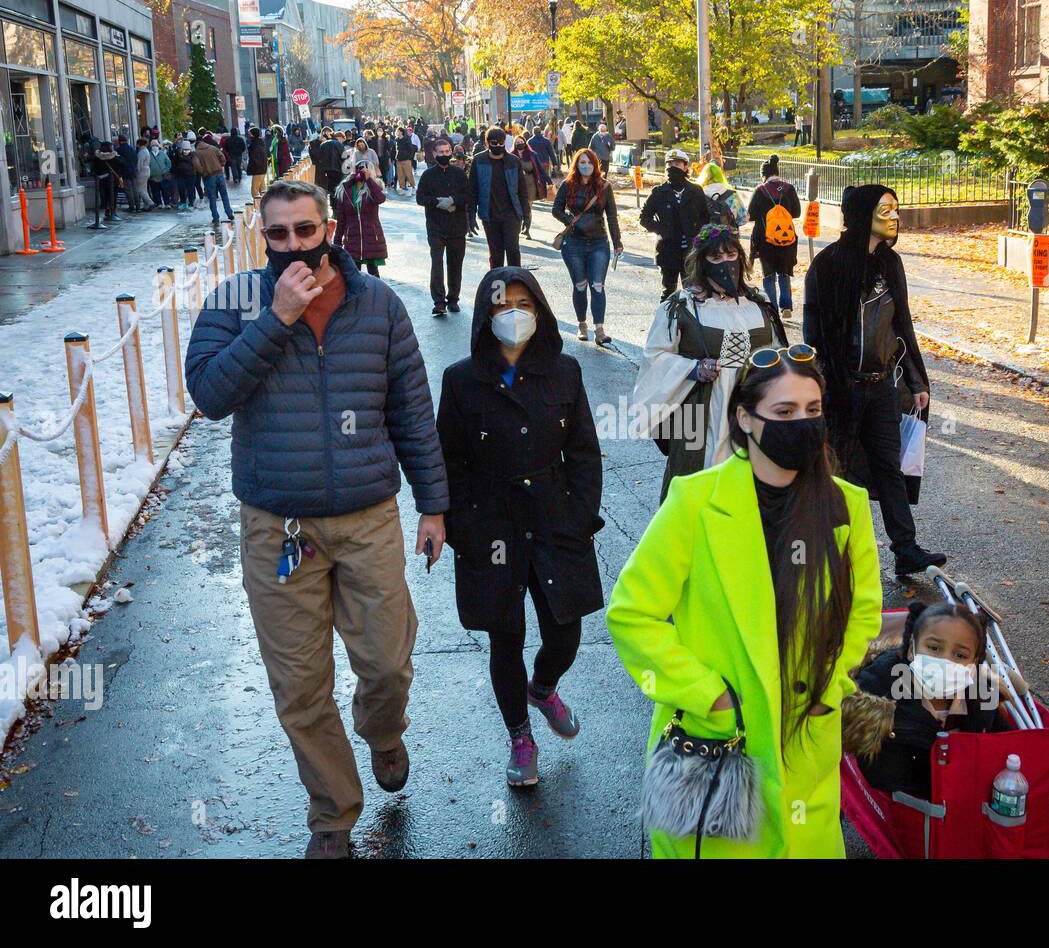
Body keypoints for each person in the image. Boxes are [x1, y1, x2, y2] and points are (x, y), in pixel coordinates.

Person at [185, 179, 449, 860]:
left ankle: (384, 732)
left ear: (329, 227)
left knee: (388, 662)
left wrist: (434, 505)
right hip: (282, 528)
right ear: (262, 237)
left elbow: (412, 411)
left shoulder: (377, 303)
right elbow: (210, 395)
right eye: (278, 234)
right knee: (300, 682)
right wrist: (275, 320)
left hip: (367, 517)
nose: (293, 244)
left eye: (305, 230)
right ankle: (332, 813)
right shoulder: (237, 302)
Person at [607, 351, 882, 857]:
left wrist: (832, 686)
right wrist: (708, 694)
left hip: (804, 735)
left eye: (812, 409)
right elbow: (631, 612)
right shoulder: (694, 501)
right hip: (714, 741)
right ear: (743, 418)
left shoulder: (848, 506)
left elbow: (864, 612)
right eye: (783, 413)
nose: (802, 424)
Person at [436, 267, 604, 787]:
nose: (514, 314)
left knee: (566, 632)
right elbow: (450, 462)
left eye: (524, 303)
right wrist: (462, 527)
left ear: (540, 310)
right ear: (485, 316)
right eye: (502, 304)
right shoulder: (462, 381)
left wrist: (579, 516)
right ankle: (520, 736)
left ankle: (544, 686)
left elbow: (583, 452)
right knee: (504, 637)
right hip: (491, 528)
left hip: (556, 520)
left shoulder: (564, 372)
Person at [803, 183, 946, 578]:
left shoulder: (889, 264)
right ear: (864, 214)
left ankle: (906, 549)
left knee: (889, 467)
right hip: (842, 388)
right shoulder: (829, 265)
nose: (895, 217)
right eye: (886, 210)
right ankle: (831, 552)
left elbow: (903, 326)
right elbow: (813, 333)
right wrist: (819, 383)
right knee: (837, 471)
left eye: (896, 210)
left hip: (882, 386)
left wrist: (916, 381)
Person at [631, 222, 787, 503]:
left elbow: (779, 355)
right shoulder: (681, 307)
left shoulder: (759, 304)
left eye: (730, 255)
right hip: (701, 415)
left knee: (751, 495)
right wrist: (693, 368)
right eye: (715, 257)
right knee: (696, 493)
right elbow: (655, 358)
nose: (725, 263)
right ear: (701, 263)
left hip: (752, 417)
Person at [845, 601, 1009, 800]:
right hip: (910, 802)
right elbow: (884, 777)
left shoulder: (982, 696)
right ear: (912, 649)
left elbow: (1004, 747)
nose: (945, 661)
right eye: (934, 648)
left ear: (974, 662)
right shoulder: (881, 695)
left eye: (959, 655)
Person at [552, 147, 622, 345]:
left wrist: (617, 242)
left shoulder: (604, 186)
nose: (586, 166)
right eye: (582, 162)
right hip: (574, 243)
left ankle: (599, 330)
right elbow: (555, 209)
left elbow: (612, 217)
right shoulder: (568, 184)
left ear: (595, 164)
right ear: (576, 164)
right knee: (580, 285)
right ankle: (582, 324)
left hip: (599, 242)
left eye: (589, 162)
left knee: (597, 286)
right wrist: (570, 221)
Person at [639, 148, 710, 300]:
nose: (673, 167)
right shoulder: (659, 192)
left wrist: (699, 236)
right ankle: (666, 323)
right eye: (669, 164)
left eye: (677, 163)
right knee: (668, 294)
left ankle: (690, 323)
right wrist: (663, 230)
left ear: (685, 166)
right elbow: (644, 218)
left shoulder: (695, 191)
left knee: (692, 294)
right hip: (668, 251)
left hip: (691, 252)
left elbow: (706, 217)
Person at [416, 135, 472, 317]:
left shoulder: (459, 173)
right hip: (436, 227)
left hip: (457, 227)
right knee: (437, 265)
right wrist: (437, 202)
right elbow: (420, 198)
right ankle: (439, 302)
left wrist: (454, 201)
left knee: (455, 265)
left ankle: (453, 299)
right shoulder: (428, 175)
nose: (444, 155)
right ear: (434, 154)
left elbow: (468, 196)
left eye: (447, 152)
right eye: (441, 152)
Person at [747, 154, 801, 320]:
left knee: (768, 276)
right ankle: (786, 306)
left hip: (766, 241)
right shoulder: (789, 189)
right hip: (786, 240)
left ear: (764, 174)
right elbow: (797, 213)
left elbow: (751, 215)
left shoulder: (760, 191)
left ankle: (772, 310)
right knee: (784, 273)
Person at [468, 126, 530, 269]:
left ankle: (516, 284)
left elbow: (522, 191)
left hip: (512, 215)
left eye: (501, 142)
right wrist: (470, 214)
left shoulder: (513, 161)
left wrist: (526, 215)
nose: (498, 145)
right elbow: (473, 190)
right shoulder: (479, 160)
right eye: (494, 143)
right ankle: (497, 287)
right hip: (489, 216)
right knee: (496, 254)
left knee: (513, 251)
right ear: (487, 143)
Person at [333, 162, 388, 277]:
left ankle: (375, 294)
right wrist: (337, 243)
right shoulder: (344, 190)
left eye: (364, 169)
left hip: (372, 237)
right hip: (352, 238)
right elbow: (341, 219)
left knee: (373, 273)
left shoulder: (374, 187)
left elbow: (380, 199)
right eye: (359, 169)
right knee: (354, 274)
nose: (361, 171)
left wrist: (369, 180)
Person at [193, 135, 234, 228]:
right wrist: (221, 165)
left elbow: (197, 165)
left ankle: (215, 217)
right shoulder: (213, 148)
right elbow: (222, 157)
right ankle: (229, 213)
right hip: (219, 173)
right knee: (224, 194)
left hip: (209, 176)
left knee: (212, 197)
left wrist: (203, 172)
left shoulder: (196, 153)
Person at [514, 135, 548, 239]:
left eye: (521, 141)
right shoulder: (511, 155)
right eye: (518, 142)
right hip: (516, 185)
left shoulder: (532, 154)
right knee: (518, 207)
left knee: (528, 207)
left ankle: (526, 229)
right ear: (515, 145)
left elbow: (540, 169)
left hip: (530, 184)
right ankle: (518, 228)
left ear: (525, 142)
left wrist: (549, 182)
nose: (520, 143)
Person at [697, 161, 746, 229]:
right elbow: (742, 220)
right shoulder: (732, 195)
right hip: (728, 237)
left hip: (704, 237)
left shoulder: (698, 195)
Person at [91, 141, 126, 222]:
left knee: (105, 195)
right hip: (112, 179)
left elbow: (94, 168)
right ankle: (113, 211)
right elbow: (123, 163)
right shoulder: (114, 156)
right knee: (113, 195)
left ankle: (107, 208)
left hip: (101, 179)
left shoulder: (97, 157)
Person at [314, 128, 345, 213]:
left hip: (326, 170)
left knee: (330, 187)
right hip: (338, 169)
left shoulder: (323, 144)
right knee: (337, 187)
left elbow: (319, 156)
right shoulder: (339, 145)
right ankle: (336, 206)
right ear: (339, 137)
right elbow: (344, 157)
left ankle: (332, 205)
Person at [169, 139, 196, 213]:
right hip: (180, 175)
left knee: (190, 190)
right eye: (184, 149)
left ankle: (191, 204)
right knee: (181, 190)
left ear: (190, 149)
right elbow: (174, 164)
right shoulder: (178, 155)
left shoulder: (193, 155)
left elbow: (196, 165)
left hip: (191, 176)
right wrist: (175, 171)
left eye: (187, 149)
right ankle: (183, 202)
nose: (185, 151)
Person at [146, 138, 174, 209]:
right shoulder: (148, 155)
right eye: (153, 145)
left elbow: (169, 163)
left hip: (163, 176)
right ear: (150, 146)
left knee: (165, 190)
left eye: (155, 145)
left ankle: (167, 203)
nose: (154, 147)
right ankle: (159, 203)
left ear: (158, 146)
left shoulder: (163, 154)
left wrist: (165, 170)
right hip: (152, 177)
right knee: (155, 191)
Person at [246, 127, 268, 199]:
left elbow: (255, 158)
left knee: (254, 189)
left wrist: (253, 167)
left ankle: (258, 206)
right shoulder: (260, 143)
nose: (249, 135)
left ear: (253, 135)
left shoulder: (255, 145)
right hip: (262, 168)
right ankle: (265, 204)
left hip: (258, 169)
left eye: (250, 134)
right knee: (262, 188)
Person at [395, 126, 417, 195]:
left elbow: (410, 149)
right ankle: (402, 188)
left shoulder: (406, 139)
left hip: (406, 160)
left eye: (398, 131)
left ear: (401, 132)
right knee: (400, 175)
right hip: (398, 160)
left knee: (409, 174)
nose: (396, 132)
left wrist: (409, 157)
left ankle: (413, 187)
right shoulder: (396, 139)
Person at [133, 139, 154, 212]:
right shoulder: (146, 151)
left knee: (140, 189)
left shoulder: (141, 152)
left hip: (142, 171)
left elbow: (139, 164)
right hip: (146, 170)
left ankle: (150, 202)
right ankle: (146, 205)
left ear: (139, 144)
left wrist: (136, 172)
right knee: (144, 188)